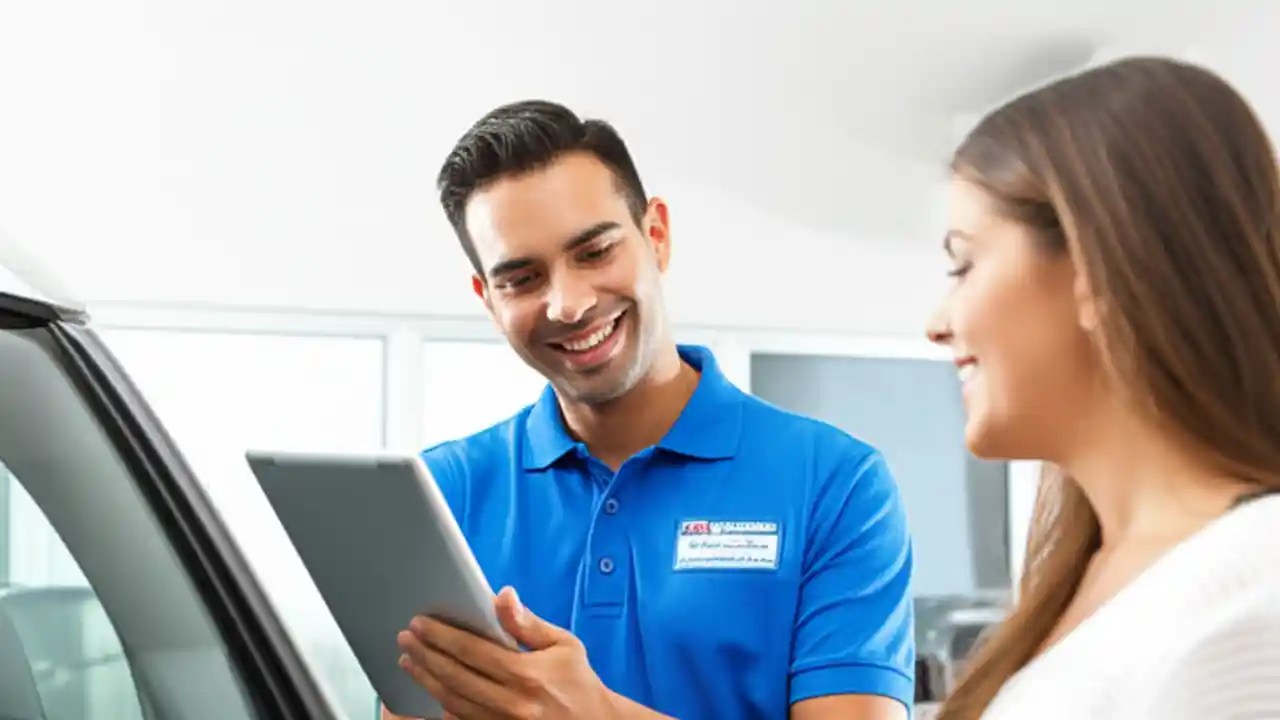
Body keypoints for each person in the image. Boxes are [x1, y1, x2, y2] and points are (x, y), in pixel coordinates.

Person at [380, 100, 915, 719]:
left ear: (655, 235)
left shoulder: (836, 484)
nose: (569, 304)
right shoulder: (440, 495)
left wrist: (595, 714)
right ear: (487, 298)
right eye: (521, 279)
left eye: (594, 252)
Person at [925, 56, 1280, 719]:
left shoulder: (1250, 603)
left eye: (964, 263)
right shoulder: (1085, 582)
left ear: (1091, 266)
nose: (937, 325)